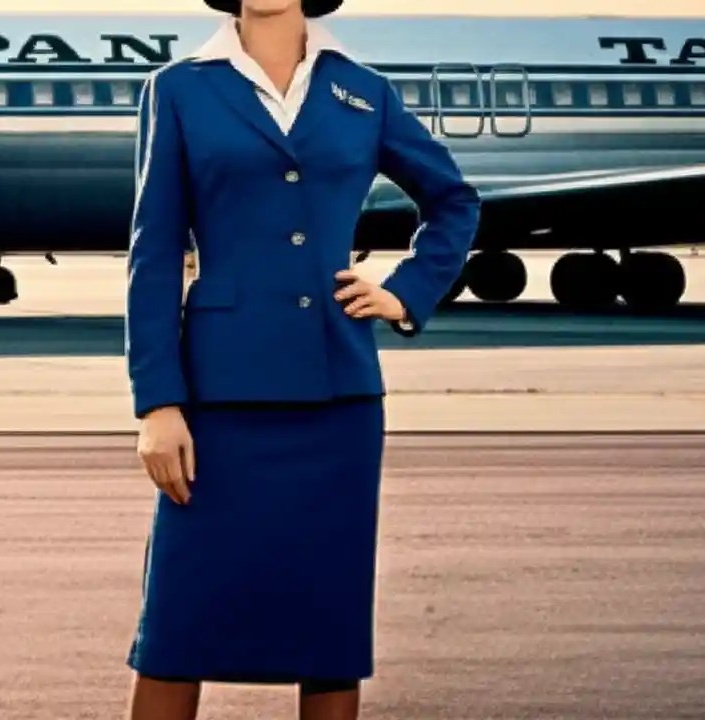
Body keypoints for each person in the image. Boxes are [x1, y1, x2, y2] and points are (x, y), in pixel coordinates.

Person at [123, 0, 480, 718]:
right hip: (217, 400)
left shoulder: (363, 90)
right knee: (175, 631)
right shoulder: (180, 87)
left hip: (338, 398)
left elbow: (454, 202)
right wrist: (158, 402)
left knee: (328, 636)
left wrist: (404, 293)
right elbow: (154, 253)